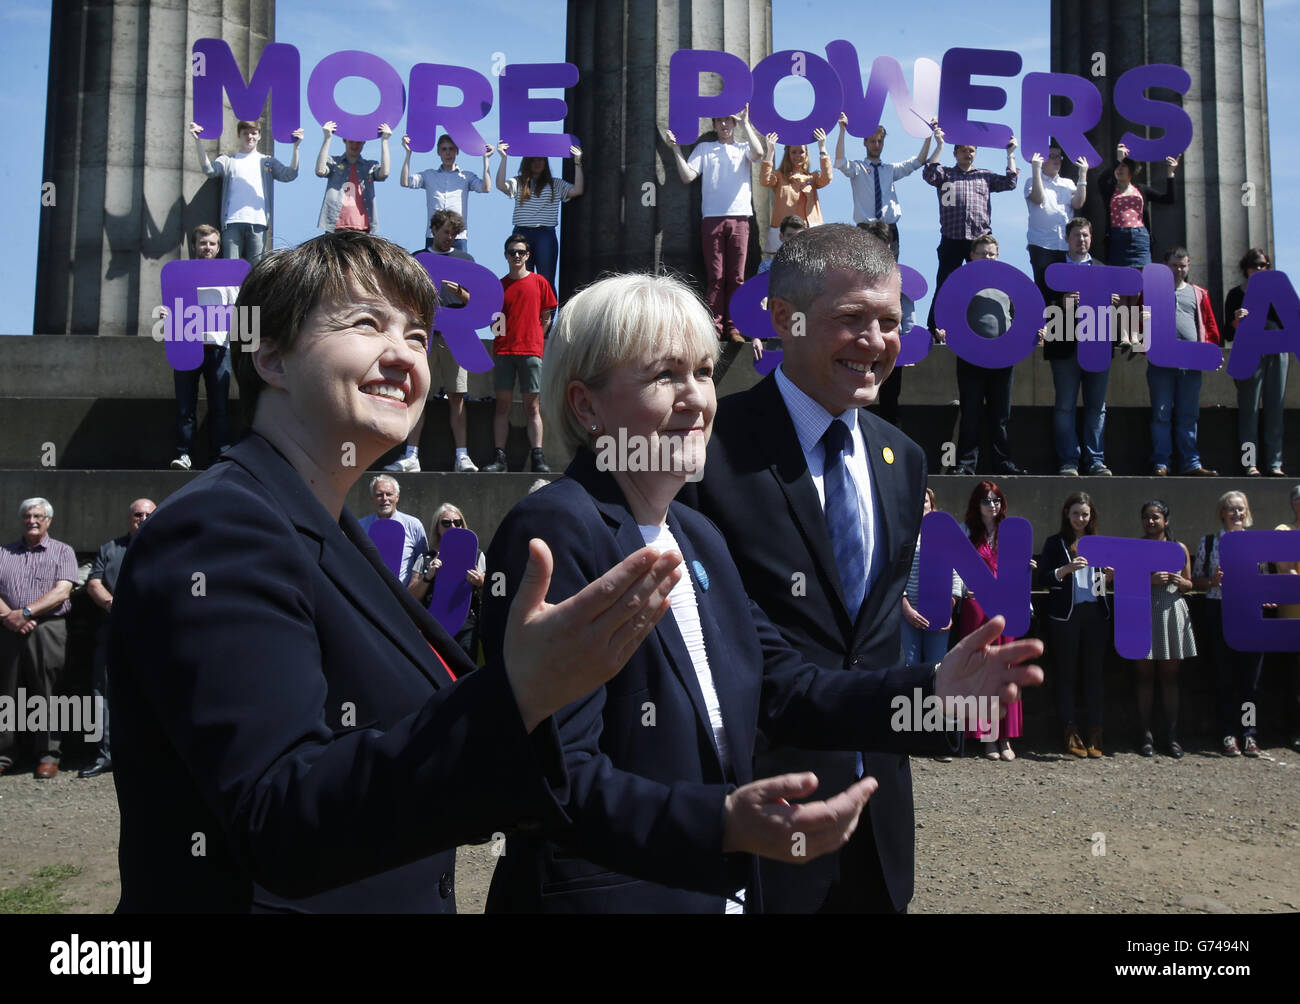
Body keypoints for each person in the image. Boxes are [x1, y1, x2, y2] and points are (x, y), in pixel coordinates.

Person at [108, 229, 685, 912]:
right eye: (366, 323)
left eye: (418, 336)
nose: (405, 355)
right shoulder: (220, 530)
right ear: (270, 355)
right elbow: (278, 819)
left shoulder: (328, 529)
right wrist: (517, 695)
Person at [482, 272, 1044, 913]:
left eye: (701, 371)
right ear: (586, 406)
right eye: (664, 375)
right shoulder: (555, 530)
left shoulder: (697, 538)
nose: (695, 398)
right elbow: (556, 773)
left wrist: (931, 692)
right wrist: (720, 821)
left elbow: (786, 687)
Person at [684, 223, 938, 914]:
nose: (876, 341)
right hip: (760, 815)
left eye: (889, 321)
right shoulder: (710, 449)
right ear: (782, 319)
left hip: (877, 825)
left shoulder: (903, 459)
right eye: (850, 319)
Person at [388, 209, 478, 473]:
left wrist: (460, 292)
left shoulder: (466, 259)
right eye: (446, 232)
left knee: (457, 396)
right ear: (434, 230)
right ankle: (411, 455)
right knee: (417, 394)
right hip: (424, 335)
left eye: (454, 233)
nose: (450, 237)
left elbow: (477, 303)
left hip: (457, 335)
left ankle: (462, 456)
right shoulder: (418, 260)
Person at [665, 108, 765, 342]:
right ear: (714, 125)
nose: (724, 125)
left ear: (734, 124)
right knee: (716, 277)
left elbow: (759, 153)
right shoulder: (705, 149)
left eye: (728, 121)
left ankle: (734, 327)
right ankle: (714, 328)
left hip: (740, 217)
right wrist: (675, 149)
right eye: (719, 121)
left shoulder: (742, 148)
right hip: (712, 218)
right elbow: (688, 176)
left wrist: (746, 123)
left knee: (737, 277)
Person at [0, 498, 77, 778]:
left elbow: (63, 591)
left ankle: (48, 754)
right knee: (6, 692)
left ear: (48, 521)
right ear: (20, 520)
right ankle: (4, 753)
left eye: (38, 516)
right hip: (7, 626)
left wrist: (27, 612)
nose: (32, 520)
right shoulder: (3, 552)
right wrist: (11, 616)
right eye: (27, 516)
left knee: (49, 690)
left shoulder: (62, 552)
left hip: (48, 627)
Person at [80, 498, 156, 778]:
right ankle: (106, 754)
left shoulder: (168, 545)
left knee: (154, 692)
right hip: (113, 630)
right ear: (129, 517)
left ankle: (150, 754)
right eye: (138, 514)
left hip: (154, 633)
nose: (143, 519)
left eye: (149, 514)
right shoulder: (109, 549)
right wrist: (112, 603)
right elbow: (93, 582)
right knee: (104, 693)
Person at [921, 123, 1019, 336]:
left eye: (971, 150)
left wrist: (1010, 154)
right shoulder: (945, 174)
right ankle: (935, 329)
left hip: (980, 240)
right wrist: (939, 145)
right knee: (945, 285)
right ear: (955, 153)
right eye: (963, 150)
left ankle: (986, 325)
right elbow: (929, 174)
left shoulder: (984, 175)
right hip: (952, 237)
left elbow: (1010, 183)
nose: (968, 154)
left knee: (985, 285)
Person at [959, 480, 1032, 761]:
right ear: (976, 504)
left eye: (996, 500)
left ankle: (1005, 737)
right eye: (987, 500)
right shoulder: (966, 533)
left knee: (1006, 667)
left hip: (1005, 608)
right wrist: (965, 587)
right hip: (976, 608)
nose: (992, 505)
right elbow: (955, 570)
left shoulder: (1010, 533)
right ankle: (987, 737)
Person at [1192, 491, 1265, 758]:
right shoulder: (1209, 543)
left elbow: (1265, 580)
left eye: (1241, 509)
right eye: (1231, 509)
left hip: (1249, 612)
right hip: (1219, 610)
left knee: (1250, 680)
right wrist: (1212, 581)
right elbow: (1196, 581)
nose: (1237, 514)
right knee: (1223, 677)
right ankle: (1227, 733)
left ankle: (1249, 733)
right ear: (1222, 513)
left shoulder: (1257, 543)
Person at [944, 234, 1025, 475]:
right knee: (971, 413)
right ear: (972, 256)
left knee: (1001, 415)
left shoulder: (1008, 284)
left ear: (997, 257)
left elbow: (1020, 315)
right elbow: (949, 312)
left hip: (1003, 357)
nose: (987, 257)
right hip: (971, 356)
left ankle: (1003, 463)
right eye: (982, 253)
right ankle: (967, 464)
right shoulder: (961, 283)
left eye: (991, 254)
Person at [1041, 490, 1113, 759]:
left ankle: (1096, 730)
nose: (1080, 519)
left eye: (1085, 514)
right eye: (1075, 514)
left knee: (1094, 674)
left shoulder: (1099, 543)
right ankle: (1069, 730)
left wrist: (1109, 578)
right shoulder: (1055, 543)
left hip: (1096, 613)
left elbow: (1101, 584)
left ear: (1091, 515)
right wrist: (1066, 569)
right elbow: (1044, 578)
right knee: (1066, 673)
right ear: (1066, 515)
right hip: (1065, 616)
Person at [482, 234, 557, 474]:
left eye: (521, 252)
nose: (516, 256)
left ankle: (538, 456)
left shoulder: (539, 282)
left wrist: (535, 336)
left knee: (532, 407)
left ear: (528, 256)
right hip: (504, 350)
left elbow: (547, 316)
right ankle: (499, 457)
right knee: (502, 406)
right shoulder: (499, 286)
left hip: (531, 351)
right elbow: (495, 321)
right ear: (505, 255)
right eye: (512, 252)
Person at [1045, 217, 1113, 476]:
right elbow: (1041, 305)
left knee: (1098, 407)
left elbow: (1113, 316)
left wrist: (1112, 305)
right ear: (1067, 238)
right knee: (1065, 405)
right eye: (1077, 235)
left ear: (1090, 238)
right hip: (1064, 348)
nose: (1081, 240)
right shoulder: (1052, 269)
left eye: (1085, 235)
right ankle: (1069, 461)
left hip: (1097, 346)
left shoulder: (1103, 269)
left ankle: (1096, 460)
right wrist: (1060, 303)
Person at [1147, 247, 1219, 477]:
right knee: (1161, 414)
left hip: (1191, 362)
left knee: (1188, 414)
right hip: (1161, 362)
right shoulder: (1152, 291)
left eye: (1183, 265)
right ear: (1165, 266)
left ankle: (1191, 464)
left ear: (1188, 267)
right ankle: (1161, 463)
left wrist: (1210, 353)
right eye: (1174, 265)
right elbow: (1139, 321)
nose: (1178, 270)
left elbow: (1210, 327)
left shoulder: (1199, 293)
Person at [190, 119, 304, 263]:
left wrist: (296, 147)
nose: (250, 137)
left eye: (253, 133)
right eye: (245, 133)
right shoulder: (228, 160)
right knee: (230, 268)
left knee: (257, 271)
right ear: (239, 135)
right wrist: (198, 141)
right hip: (232, 222)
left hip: (258, 223)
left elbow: (289, 174)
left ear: (259, 136)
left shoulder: (267, 161)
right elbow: (209, 170)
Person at [170, 224, 235, 471]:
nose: (207, 247)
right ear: (194, 246)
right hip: (187, 344)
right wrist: (169, 314)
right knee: (185, 405)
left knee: (219, 405)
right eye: (202, 243)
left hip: (219, 346)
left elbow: (237, 309)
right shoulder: (182, 274)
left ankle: (221, 454)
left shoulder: (228, 277)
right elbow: (173, 304)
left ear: (218, 248)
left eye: (212, 243)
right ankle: (184, 454)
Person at [1098, 142, 1178, 346]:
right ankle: (1123, 334)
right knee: (1122, 289)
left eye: (1124, 166)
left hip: (1140, 239)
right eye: (1118, 166)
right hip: (1118, 239)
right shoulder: (1110, 189)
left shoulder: (1140, 189)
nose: (1120, 169)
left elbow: (1168, 198)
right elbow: (1100, 180)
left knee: (1135, 291)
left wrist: (1170, 172)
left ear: (1132, 171)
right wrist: (1117, 159)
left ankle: (1133, 334)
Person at [1133, 499, 1195, 759]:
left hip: (1171, 610)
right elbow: (1126, 582)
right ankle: (1145, 734)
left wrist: (1182, 582)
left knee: (1170, 678)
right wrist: (1148, 580)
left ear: (1165, 521)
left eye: (1156, 517)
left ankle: (1172, 735)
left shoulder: (1179, 547)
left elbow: (1191, 584)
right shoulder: (1135, 547)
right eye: (1146, 517)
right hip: (1142, 610)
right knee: (1144, 676)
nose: (1151, 521)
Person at [1225, 249, 1289, 477]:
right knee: (1248, 411)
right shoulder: (1235, 295)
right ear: (1246, 268)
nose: (1259, 269)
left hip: (1276, 349)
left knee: (1275, 409)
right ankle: (1249, 463)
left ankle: (1274, 463)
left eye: (1263, 265)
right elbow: (1227, 334)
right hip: (1248, 351)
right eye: (1254, 265)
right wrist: (1236, 321)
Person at [834, 116, 930, 257]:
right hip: (865, 228)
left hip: (889, 228)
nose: (876, 145)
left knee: (890, 272)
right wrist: (842, 130)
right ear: (865, 143)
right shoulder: (858, 168)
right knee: (864, 272)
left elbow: (918, 161)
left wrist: (929, 136)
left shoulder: (890, 170)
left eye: (880, 141)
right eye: (872, 141)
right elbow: (840, 162)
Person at [494, 142, 584, 293]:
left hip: (545, 234)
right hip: (521, 234)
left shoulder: (555, 184)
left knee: (546, 279)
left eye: (541, 159)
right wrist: (503, 158)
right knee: (521, 278)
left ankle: (547, 316)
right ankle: (523, 312)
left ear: (546, 162)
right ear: (527, 162)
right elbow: (501, 185)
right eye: (533, 159)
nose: (537, 163)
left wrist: (578, 162)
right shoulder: (519, 181)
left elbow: (577, 190)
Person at [408, 502, 485, 661]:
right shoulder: (425, 558)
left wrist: (480, 583)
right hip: (433, 623)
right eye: (446, 523)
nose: (453, 526)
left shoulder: (477, 556)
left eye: (457, 523)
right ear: (437, 527)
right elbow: (411, 597)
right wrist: (428, 576)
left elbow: (494, 594)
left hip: (466, 624)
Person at [900, 488, 961, 667]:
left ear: (932, 505)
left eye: (925, 501)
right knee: (909, 666)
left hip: (938, 612)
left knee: (937, 666)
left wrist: (948, 607)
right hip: (909, 613)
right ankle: (911, 697)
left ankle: (933, 697)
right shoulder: (903, 535)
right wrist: (906, 610)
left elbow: (956, 574)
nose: (921, 505)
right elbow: (896, 573)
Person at [400, 133, 490, 252]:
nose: (448, 153)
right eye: (444, 149)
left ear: (457, 151)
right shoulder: (429, 175)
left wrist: (486, 159)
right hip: (434, 236)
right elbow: (405, 182)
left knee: (460, 270)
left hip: (458, 237)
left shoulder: (466, 176)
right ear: (438, 152)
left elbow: (485, 188)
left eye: (451, 149)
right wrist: (408, 153)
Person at [1024, 143, 1088, 298]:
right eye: (1051, 157)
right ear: (1043, 160)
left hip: (1066, 245)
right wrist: (1036, 169)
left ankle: (1065, 321)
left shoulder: (1067, 183)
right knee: (1044, 289)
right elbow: (1038, 198)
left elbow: (1078, 203)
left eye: (1058, 157)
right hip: (1042, 244)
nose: (1057, 160)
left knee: (1067, 291)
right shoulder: (1031, 181)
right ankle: (1044, 321)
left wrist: (1082, 175)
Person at [760, 129, 831, 254]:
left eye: (801, 152)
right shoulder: (779, 176)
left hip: (810, 232)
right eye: (794, 152)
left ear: (806, 154)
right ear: (788, 154)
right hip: (785, 232)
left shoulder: (813, 178)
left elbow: (827, 178)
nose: (798, 156)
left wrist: (822, 147)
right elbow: (765, 180)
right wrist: (770, 151)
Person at [314, 120, 391, 233]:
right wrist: (327, 138)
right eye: (351, 141)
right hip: (335, 226)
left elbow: (384, 173)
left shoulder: (369, 166)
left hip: (363, 227)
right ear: (345, 141)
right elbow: (320, 170)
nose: (355, 145)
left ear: (364, 143)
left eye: (359, 142)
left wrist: (384, 141)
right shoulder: (334, 162)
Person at [358, 474, 428, 584]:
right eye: (379, 495)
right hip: (369, 593)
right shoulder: (360, 526)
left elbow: (422, 562)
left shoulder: (414, 525)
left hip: (401, 596)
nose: (384, 499)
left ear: (397, 497)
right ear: (372, 499)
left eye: (389, 494)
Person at [1274, 486, 1300, 752]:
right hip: (1293, 616)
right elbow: (1286, 572)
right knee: (1294, 679)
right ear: (1295, 504)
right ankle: (1294, 730)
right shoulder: (1284, 531)